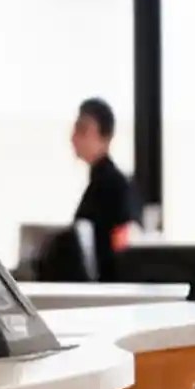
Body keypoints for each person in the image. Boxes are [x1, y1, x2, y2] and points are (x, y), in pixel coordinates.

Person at [71, 97, 140, 282]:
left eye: (83, 129)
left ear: (105, 136)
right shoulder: (99, 181)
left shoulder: (113, 185)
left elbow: (122, 247)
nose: (74, 137)